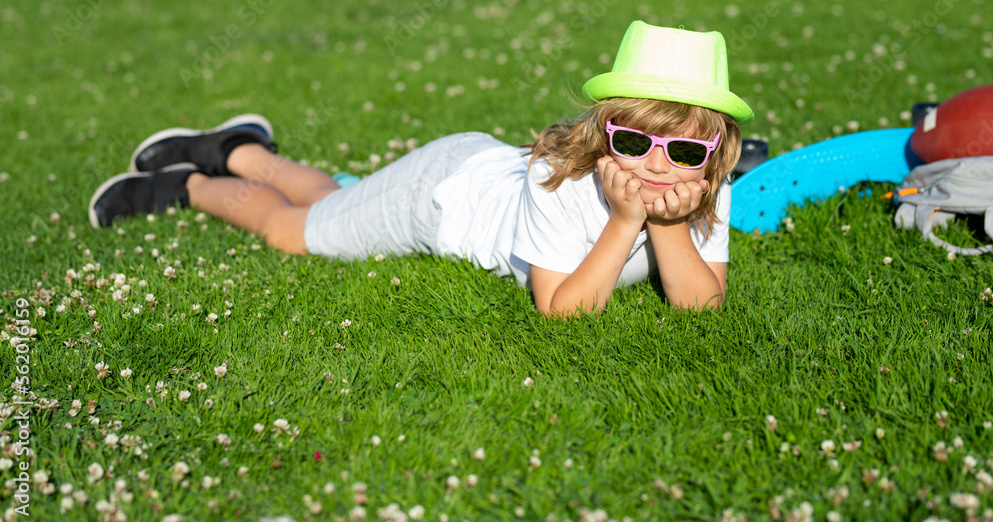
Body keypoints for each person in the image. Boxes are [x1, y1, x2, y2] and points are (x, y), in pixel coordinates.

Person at [89, 21, 754, 317]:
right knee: (295, 229)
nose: (658, 167)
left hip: (469, 174)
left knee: (332, 199)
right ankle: (195, 182)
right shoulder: (563, 177)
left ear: (715, 153)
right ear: (605, 134)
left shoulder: (702, 188)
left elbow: (701, 304)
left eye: (687, 152)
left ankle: (238, 147)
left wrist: (667, 226)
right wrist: (627, 219)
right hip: (441, 195)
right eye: (635, 141)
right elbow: (562, 310)